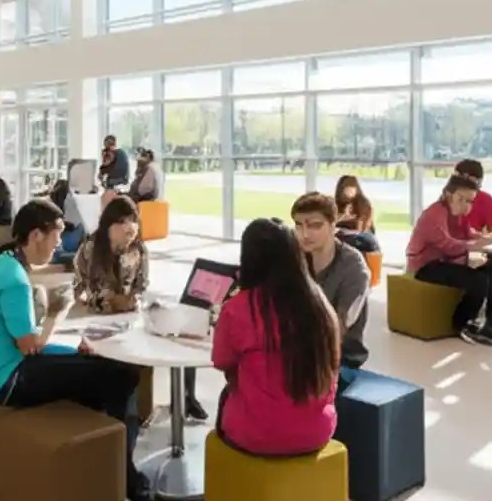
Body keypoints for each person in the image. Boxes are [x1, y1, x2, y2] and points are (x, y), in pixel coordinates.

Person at [0, 199, 149, 500]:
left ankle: (106, 457)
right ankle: (125, 475)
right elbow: (31, 347)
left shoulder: (2, 263)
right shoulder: (15, 278)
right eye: (56, 236)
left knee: (93, 366)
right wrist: (56, 314)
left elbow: (23, 343)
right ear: (36, 235)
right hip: (4, 380)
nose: (59, 245)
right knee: (122, 377)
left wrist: (72, 352)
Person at [212, 218, 340, 456]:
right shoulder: (320, 304)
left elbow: (221, 361)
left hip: (257, 435)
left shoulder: (240, 307)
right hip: (317, 432)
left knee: (228, 395)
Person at [72, 195, 207, 420]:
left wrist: (133, 299)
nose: (130, 228)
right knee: (117, 368)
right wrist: (108, 300)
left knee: (173, 337)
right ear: (108, 225)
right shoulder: (90, 249)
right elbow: (79, 291)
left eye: (133, 220)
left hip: (130, 322)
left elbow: (142, 286)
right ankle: (124, 419)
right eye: (122, 222)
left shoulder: (138, 249)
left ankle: (182, 399)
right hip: (96, 324)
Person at [406, 176, 492, 348]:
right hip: (427, 265)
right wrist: (474, 244)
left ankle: (491, 324)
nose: (466, 204)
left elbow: (467, 234)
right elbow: (448, 245)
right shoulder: (433, 215)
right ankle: (462, 323)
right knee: (477, 280)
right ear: (448, 194)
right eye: (461, 199)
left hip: (450, 260)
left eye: (469, 201)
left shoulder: (459, 215)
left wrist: (484, 238)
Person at [291, 193, 370, 387]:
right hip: (294, 349)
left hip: (340, 357)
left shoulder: (354, 268)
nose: (305, 234)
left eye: (315, 225)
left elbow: (338, 327)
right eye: (299, 225)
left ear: (333, 225)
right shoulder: (294, 257)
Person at [333, 175, 379, 254]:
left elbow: (363, 228)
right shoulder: (335, 204)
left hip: (360, 238)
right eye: (346, 188)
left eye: (351, 187)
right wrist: (343, 217)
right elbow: (329, 222)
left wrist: (355, 220)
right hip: (341, 238)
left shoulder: (363, 203)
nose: (349, 191)